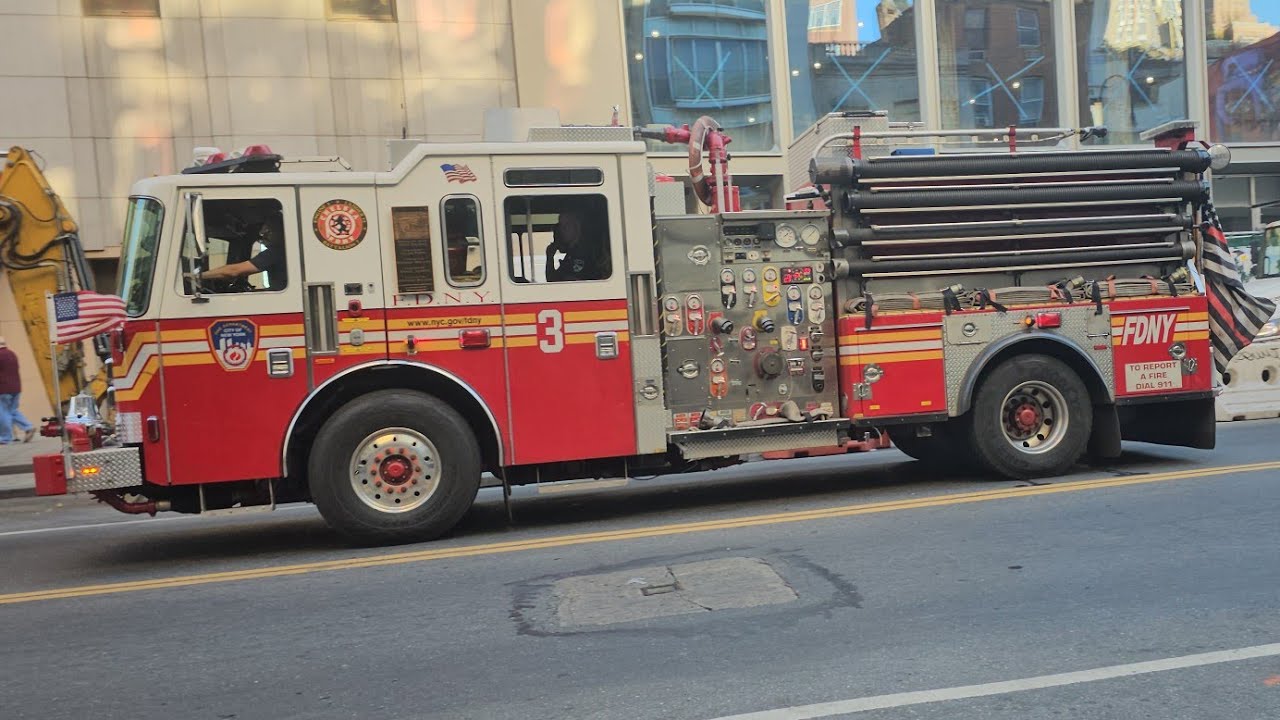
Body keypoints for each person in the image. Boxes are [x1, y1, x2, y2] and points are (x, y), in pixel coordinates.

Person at [200, 219, 285, 289]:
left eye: (268, 232)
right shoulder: (281, 252)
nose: (263, 236)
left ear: (281, 232)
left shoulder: (275, 253)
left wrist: (199, 276)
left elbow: (233, 271)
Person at [545, 210, 607, 282]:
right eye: (561, 226)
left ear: (577, 226)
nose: (562, 229)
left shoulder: (583, 253)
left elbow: (567, 283)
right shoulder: (571, 254)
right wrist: (550, 257)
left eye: (567, 225)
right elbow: (552, 280)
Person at [0, 337, 35, 444]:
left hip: (3, 388)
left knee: (3, 412)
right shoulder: (12, 354)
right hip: (16, 387)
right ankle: (28, 427)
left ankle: (6, 438)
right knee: (12, 410)